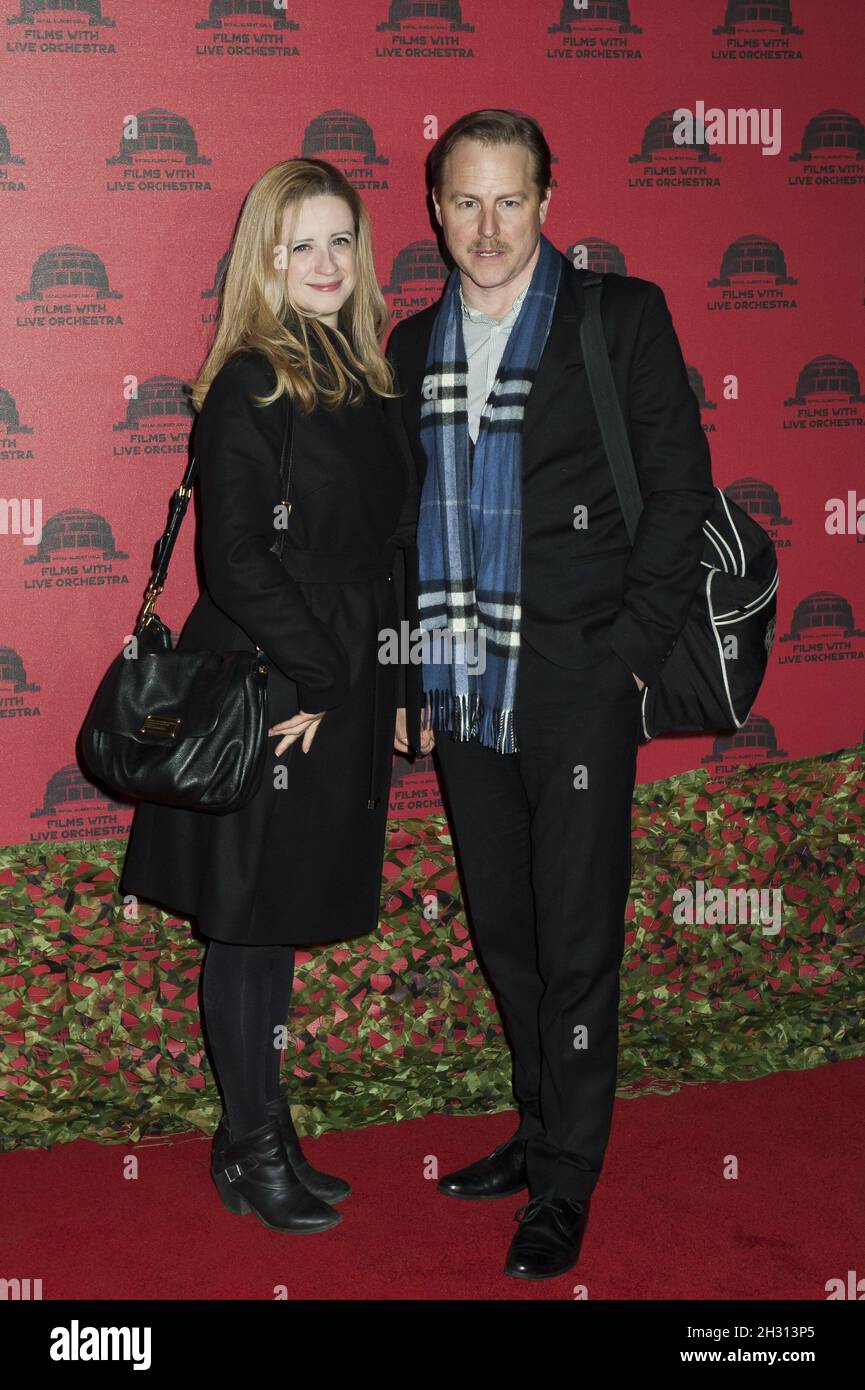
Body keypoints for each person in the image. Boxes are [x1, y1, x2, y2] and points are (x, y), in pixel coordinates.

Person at [386, 109, 716, 1279]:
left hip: (575, 685)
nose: (486, 226)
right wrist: (409, 669)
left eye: (509, 201)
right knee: (508, 936)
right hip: (468, 693)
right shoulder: (409, 346)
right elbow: (400, 528)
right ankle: (537, 1133)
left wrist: (624, 656)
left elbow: (679, 497)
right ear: (435, 210)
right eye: (464, 202)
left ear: (548, 201)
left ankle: (567, 1178)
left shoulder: (616, 320)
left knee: (576, 943)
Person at [120, 157, 431, 1234]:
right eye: (300, 243)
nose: (325, 263)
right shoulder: (252, 379)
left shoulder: (369, 377)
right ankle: (250, 1145)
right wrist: (318, 673)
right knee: (249, 922)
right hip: (272, 672)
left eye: (341, 239)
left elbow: (396, 547)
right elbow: (237, 559)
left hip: (336, 671)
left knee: (281, 915)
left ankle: (265, 1126)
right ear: (264, 260)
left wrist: (396, 677)